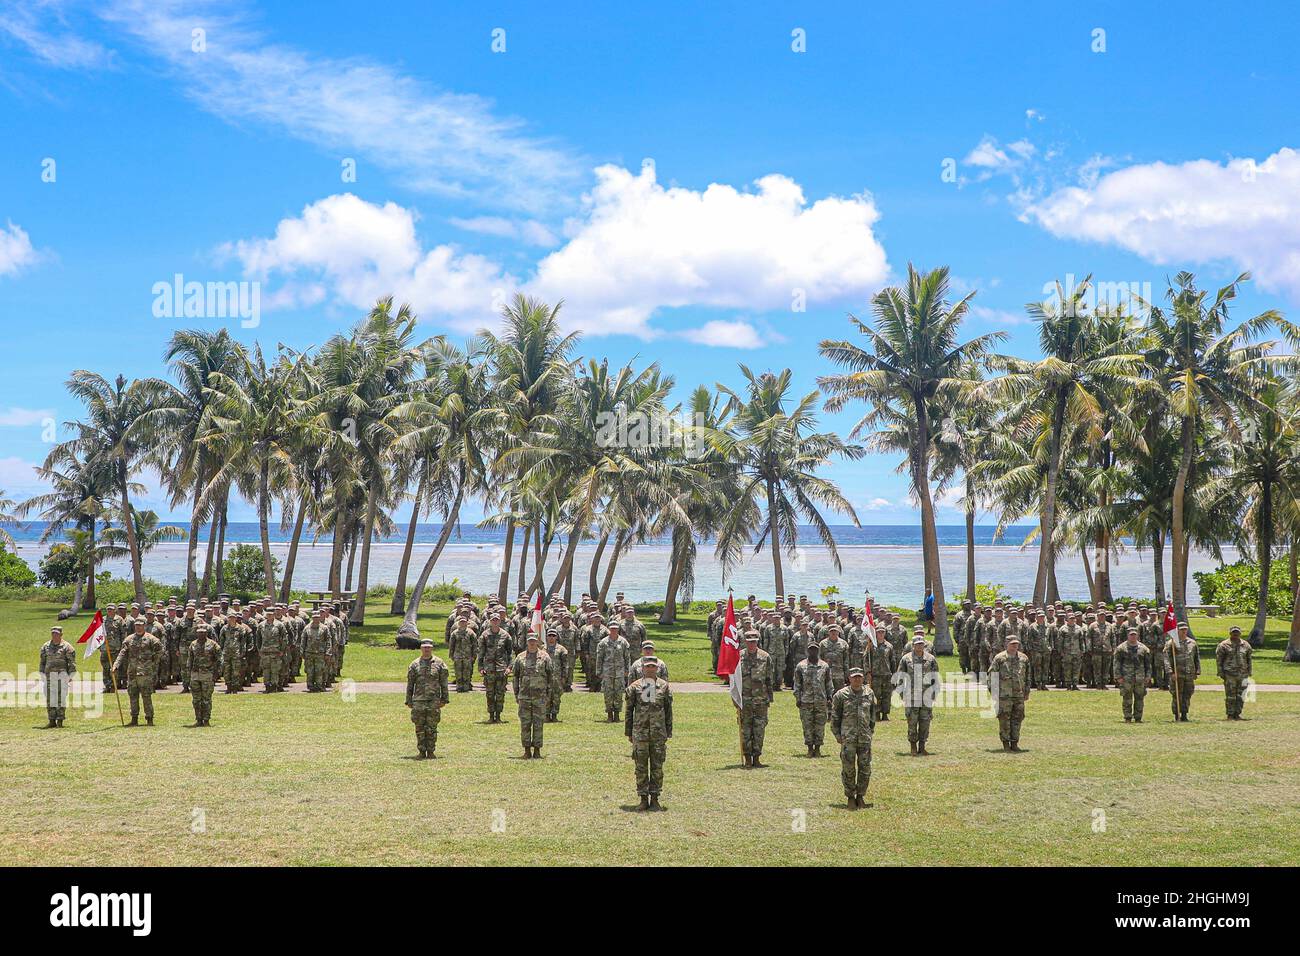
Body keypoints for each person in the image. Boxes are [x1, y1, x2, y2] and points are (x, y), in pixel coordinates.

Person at [625, 658, 672, 811]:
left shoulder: (664, 687)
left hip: (658, 734)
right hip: (641, 733)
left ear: (657, 668)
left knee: (657, 767)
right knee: (641, 766)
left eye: (653, 666)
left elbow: (668, 710)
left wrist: (668, 731)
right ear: (643, 668)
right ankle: (643, 798)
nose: (650, 669)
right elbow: (629, 710)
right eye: (647, 666)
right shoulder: (635, 687)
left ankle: (655, 798)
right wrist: (629, 732)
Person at [831, 668, 876, 809]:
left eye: (859, 677)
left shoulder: (869, 693)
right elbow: (835, 717)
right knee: (848, 768)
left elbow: (872, 714)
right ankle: (850, 797)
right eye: (854, 677)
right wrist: (838, 735)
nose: (857, 680)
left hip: (864, 738)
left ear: (863, 678)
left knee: (865, 769)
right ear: (849, 679)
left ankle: (861, 796)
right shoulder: (841, 695)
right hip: (848, 738)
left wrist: (870, 731)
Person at [511, 633, 557, 758]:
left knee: (538, 723)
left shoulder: (545, 657)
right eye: (530, 641)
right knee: (525, 723)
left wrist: (548, 695)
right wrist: (516, 693)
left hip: (540, 696)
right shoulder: (520, 658)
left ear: (537, 641)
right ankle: (526, 750)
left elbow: (550, 677)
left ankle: (537, 750)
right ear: (527, 642)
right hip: (524, 696)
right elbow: (515, 677)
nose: (532, 643)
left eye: (534, 640)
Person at [896, 632, 938, 755]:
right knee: (912, 721)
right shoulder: (906, 659)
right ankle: (913, 746)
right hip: (911, 696)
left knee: (925, 721)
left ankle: (922, 746)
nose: (919, 647)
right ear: (913, 645)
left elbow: (935, 677)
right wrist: (902, 694)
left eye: (921, 644)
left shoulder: (930, 659)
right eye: (917, 645)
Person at [405, 640, 449, 759]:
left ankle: (430, 751)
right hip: (418, 701)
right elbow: (410, 684)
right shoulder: (414, 664)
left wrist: (444, 699)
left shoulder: (439, 663)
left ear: (432, 648)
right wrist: (408, 700)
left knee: (432, 727)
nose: (426, 650)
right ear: (421, 648)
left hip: (434, 701)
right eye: (424, 647)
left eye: (429, 647)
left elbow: (444, 682)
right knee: (419, 727)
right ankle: (421, 751)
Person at [736, 631, 774, 768]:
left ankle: (756, 757)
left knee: (759, 730)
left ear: (757, 641)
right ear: (745, 641)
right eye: (749, 641)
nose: (752, 643)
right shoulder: (739, 657)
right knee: (745, 730)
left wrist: (769, 698)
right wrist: (735, 698)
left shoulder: (765, 657)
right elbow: (734, 680)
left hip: (760, 700)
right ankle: (747, 758)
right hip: (744, 700)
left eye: (754, 641)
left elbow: (769, 678)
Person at [115, 618, 163, 726]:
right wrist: (116, 665)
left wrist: (152, 662)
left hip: (145, 674)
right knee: (133, 696)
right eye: (136, 625)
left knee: (146, 696)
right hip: (132, 673)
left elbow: (160, 650)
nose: (138, 627)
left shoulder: (151, 639)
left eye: (140, 625)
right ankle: (134, 719)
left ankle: (149, 719)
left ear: (144, 626)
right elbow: (122, 653)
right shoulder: (129, 639)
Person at [987, 636, 1031, 751]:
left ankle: (1015, 743)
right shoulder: (999, 658)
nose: (1014, 646)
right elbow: (992, 677)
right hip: (1004, 695)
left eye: (1016, 644)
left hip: (1019, 695)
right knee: (1004, 719)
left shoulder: (1023, 658)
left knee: (1018, 718)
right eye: (1012, 644)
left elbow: (1028, 677)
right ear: (1006, 644)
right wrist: (994, 693)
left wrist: (1027, 692)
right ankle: (1006, 743)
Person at [792, 641, 833, 757]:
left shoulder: (824, 666)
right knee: (807, 725)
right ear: (807, 651)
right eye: (811, 649)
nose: (813, 651)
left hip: (821, 700)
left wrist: (830, 696)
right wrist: (798, 698)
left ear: (818, 651)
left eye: (815, 649)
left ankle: (818, 748)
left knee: (820, 725)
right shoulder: (801, 666)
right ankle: (810, 748)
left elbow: (828, 682)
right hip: (806, 701)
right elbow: (797, 684)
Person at [478, 615, 514, 723]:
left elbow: (510, 653)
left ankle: (498, 716)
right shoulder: (485, 635)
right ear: (490, 621)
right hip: (489, 669)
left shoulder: (505, 635)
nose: (495, 622)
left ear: (499, 621)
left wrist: (509, 667)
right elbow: (481, 653)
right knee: (489, 694)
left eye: (497, 620)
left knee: (500, 694)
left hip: (501, 669)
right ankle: (491, 716)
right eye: (493, 620)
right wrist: (480, 667)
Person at [39, 626, 76, 728]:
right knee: (50, 698)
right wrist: (42, 673)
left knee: (61, 699)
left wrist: (71, 675)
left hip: (62, 677)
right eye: (53, 633)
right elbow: (42, 662)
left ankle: (60, 720)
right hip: (49, 677)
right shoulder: (46, 646)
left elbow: (72, 663)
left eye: (56, 634)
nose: (54, 635)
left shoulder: (67, 647)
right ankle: (51, 720)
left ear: (61, 635)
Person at [1112, 628, 1152, 722]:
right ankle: (1128, 717)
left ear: (1137, 635)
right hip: (1126, 678)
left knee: (1140, 698)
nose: (1133, 636)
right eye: (1131, 635)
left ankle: (1138, 717)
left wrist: (1148, 676)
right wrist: (1118, 677)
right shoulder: (1121, 648)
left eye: (1134, 634)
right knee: (1127, 698)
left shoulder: (1144, 648)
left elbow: (1148, 664)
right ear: (1127, 635)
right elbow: (1116, 663)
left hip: (1140, 678)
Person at [1165, 622, 1201, 721]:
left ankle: (1184, 714)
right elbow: (1166, 659)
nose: (1184, 631)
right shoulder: (1171, 643)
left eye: (1185, 629)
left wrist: (1197, 671)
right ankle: (1176, 714)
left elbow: (1196, 657)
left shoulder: (1192, 643)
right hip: (1177, 673)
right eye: (1182, 629)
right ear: (1177, 630)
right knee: (1177, 695)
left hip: (1189, 674)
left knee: (1187, 694)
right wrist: (1170, 672)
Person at [595, 623, 631, 722]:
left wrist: (628, 670)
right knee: (608, 693)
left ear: (618, 629)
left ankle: (617, 714)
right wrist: (599, 671)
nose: (614, 630)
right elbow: (599, 658)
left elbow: (627, 657)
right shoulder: (603, 642)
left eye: (615, 628)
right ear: (609, 629)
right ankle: (610, 714)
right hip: (607, 672)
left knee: (619, 693)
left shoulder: (623, 642)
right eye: (612, 629)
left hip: (620, 672)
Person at [1215, 625, 1252, 720]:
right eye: (1233, 632)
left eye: (1237, 633)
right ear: (1230, 633)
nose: (1235, 634)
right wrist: (1221, 673)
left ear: (1240, 633)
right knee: (1230, 696)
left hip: (1243, 674)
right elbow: (1219, 660)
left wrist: (1249, 672)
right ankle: (1230, 714)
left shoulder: (1246, 645)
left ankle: (1237, 714)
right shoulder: (1223, 645)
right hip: (1229, 674)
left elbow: (1249, 659)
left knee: (1241, 695)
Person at [188, 624, 222, 726]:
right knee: (196, 700)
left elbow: (220, 659)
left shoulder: (213, 645)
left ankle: (206, 720)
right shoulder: (193, 644)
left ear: (206, 633)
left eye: (203, 632)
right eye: (199, 632)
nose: (201, 634)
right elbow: (190, 660)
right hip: (195, 675)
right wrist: (189, 674)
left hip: (208, 674)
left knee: (206, 699)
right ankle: (198, 719)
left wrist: (217, 674)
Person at [543, 630, 568, 722]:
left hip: (557, 678)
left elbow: (565, 665)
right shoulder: (542, 649)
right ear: (546, 637)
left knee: (556, 697)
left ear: (556, 637)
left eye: (553, 636)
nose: (551, 637)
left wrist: (564, 677)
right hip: (545, 677)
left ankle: (554, 715)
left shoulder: (562, 649)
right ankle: (546, 715)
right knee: (546, 696)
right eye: (549, 635)